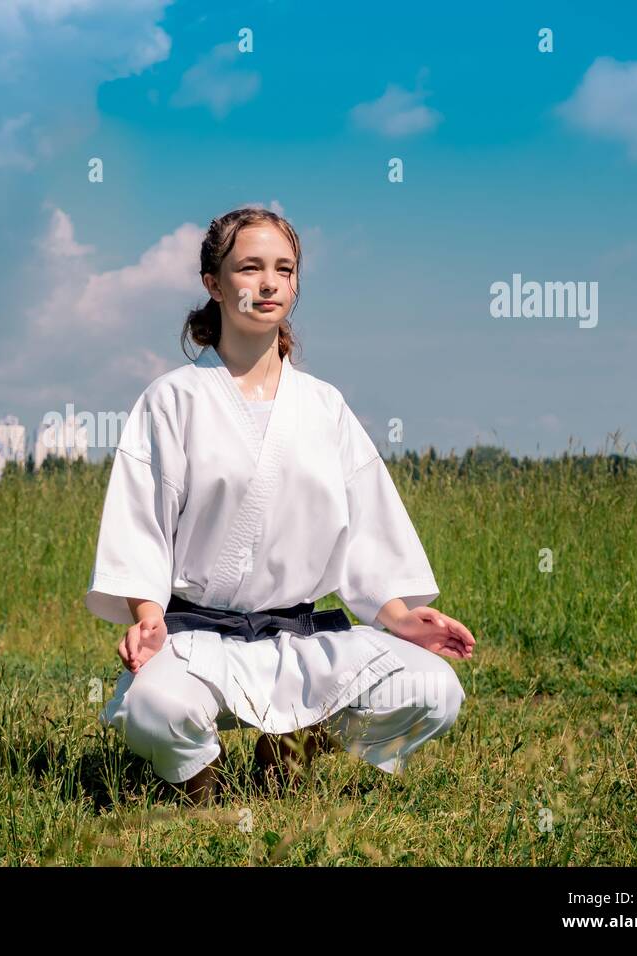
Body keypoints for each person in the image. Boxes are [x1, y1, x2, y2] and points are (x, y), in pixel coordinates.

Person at [84, 206, 476, 805]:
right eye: (249, 267)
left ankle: (292, 743)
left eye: (284, 269)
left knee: (433, 692)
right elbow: (142, 524)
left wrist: (398, 617)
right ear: (214, 285)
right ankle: (199, 782)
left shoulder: (322, 406)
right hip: (197, 637)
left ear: (295, 285)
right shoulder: (172, 400)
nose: (268, 283)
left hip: (298, 635)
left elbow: (364, 528)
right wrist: (147, 615)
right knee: (153, 708)